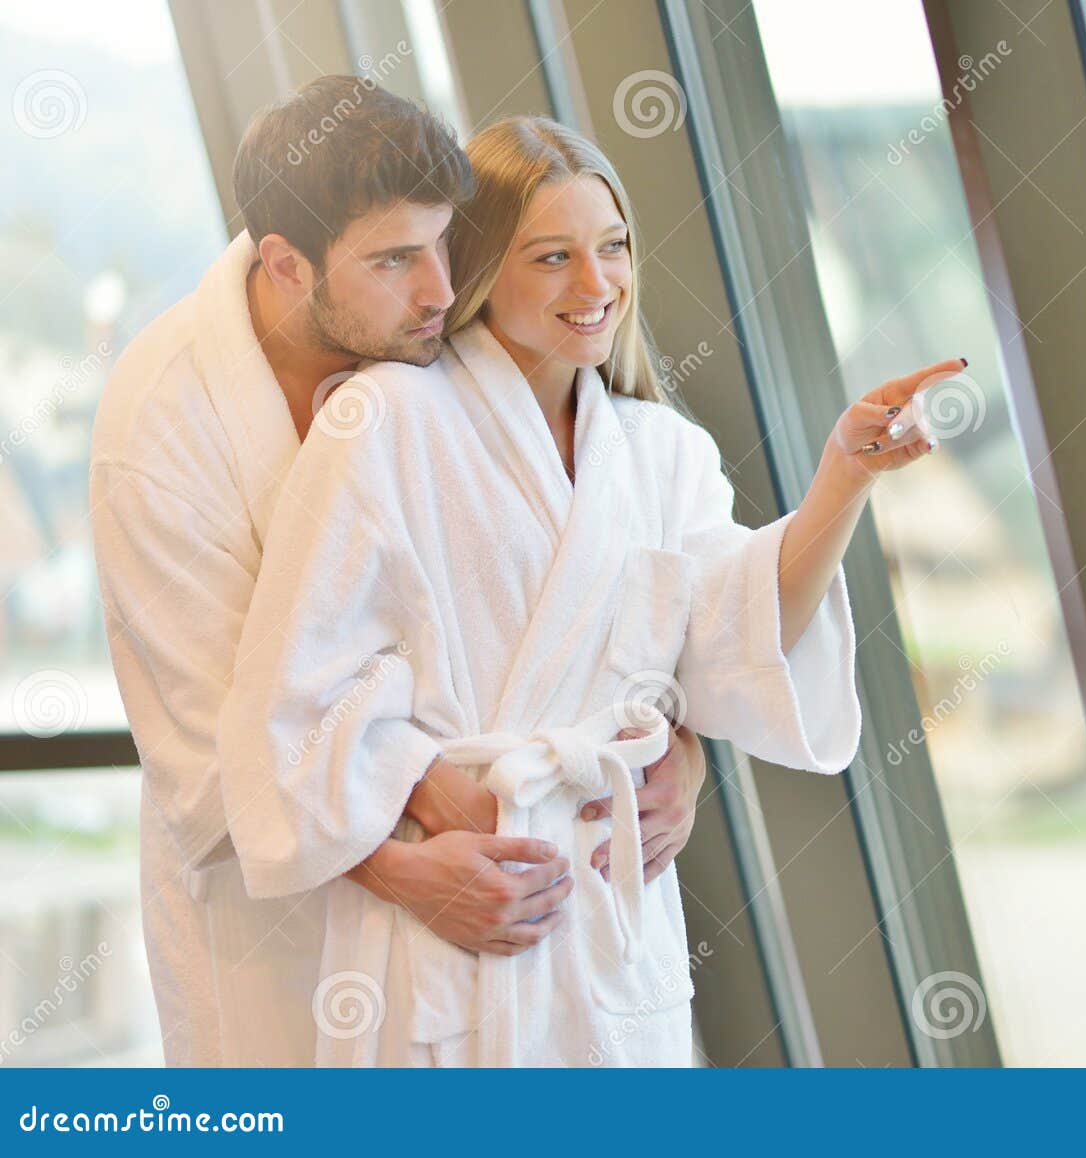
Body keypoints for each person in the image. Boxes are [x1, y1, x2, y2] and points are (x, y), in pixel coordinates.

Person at [216, 114, 960, 1066]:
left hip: (613, 929)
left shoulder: (663, 453)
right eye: (552, 257)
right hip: (458, 920)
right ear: (480, 266)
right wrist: (404, 830)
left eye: (613, 249)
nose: (596, 284)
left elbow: (739, 635)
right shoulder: (386, 419)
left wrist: (842, 478)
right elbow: (293, 690)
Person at [89, 79, 706, 1066]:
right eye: (393, 260)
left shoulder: (422, 341)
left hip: (506, 896)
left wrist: (678, 745)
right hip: (277, 916)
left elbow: (575, 573)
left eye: (445, 245)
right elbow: (210, 740)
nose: (437, 287)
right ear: (287, 266)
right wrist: (399, 863)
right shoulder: (163, 435)